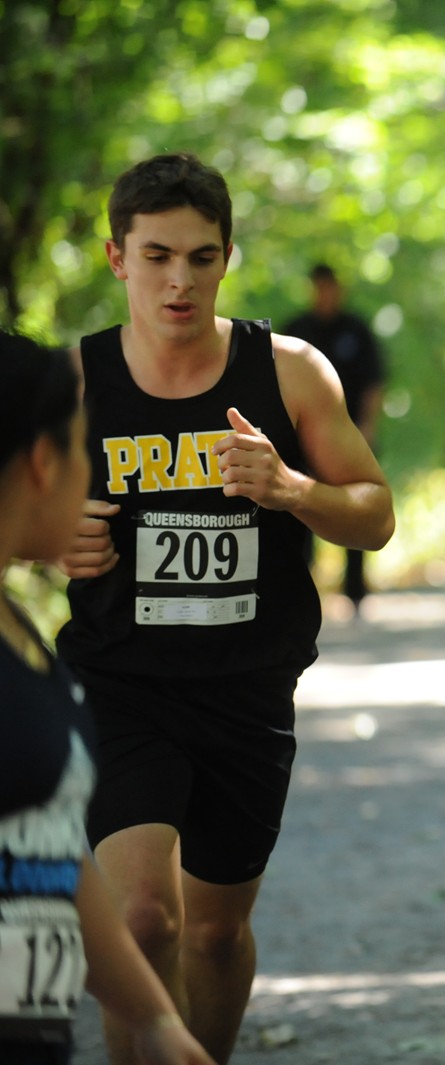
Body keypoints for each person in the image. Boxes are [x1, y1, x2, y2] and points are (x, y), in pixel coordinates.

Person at [54, 152, 396, 1065]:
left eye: (201, 257)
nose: (179, 280)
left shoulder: (288, 371)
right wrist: (44, 544)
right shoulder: (73, 384)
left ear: (227, 256)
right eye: (157, 255)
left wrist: (290, 488)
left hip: (248, 688)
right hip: (119, 682)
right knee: (143, 915)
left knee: (210, 932)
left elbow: (375, 513)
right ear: (116, 257)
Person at [0, 331, 215, 1065]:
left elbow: (50, 850)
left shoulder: (18, 625)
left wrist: (155, 1019)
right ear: (42, 460)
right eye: (84, 448)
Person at [283, 263, 387, 617]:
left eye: (331, 287)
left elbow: (375, 383)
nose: (325, 293)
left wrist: (369, 427)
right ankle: (301, 589)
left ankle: (356, 594)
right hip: (301, 440)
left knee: (354, 505)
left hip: (349, 435)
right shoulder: (296, 332)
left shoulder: (356, 330)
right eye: (319, 287)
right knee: (302, 510)